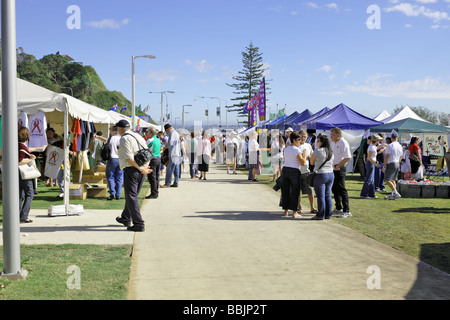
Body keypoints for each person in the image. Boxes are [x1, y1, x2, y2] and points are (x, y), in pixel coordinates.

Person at [115, 120, 152, 232]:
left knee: (131, 197)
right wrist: (144, 168)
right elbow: (147, 154)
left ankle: (138, 223)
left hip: (132, 170)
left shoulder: (124, 138)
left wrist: (140, 168)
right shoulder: (138, 136)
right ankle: (126, 217)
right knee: (132, 195)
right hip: (141, 169)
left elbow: (129, 158)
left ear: (120, 129)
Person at [18, 127, 47, 223]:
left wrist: (39, 148)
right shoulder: (22, 147)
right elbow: (20, 161)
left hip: (18, 174)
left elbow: (27, 149)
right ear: (26, 136)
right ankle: (24, 216)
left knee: (20, 195)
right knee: (29, 194)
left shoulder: (18, 145)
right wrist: (31, 159)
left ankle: (17, 215)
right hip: (24, 174)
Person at [281, 131, 307, 218]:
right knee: (295, 192)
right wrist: (305, 155)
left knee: (286, 191)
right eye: (298, 139)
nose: (300, 141)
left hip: (285, 169)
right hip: (294, 171)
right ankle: (294, 212)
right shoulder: (296, 149)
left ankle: (286, 211)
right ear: (294, 140)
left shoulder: (287, 148)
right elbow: (302, 162)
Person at [309, 134, 334, 220]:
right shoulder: (330, 151)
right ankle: (328, 214)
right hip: (330, 174)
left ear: (321, 142)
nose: (317, 142)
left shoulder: (317, 151)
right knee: (328, 195)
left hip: (320, 174)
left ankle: (320, 215)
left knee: (320, 196)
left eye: (318, 141)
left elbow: (312, 163)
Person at [330, 127, 352, 218]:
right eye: (330, 135)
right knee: (334, 188)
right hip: (333, 167)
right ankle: (338, 207)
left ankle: (346, 210)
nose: (331, 137)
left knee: (341, 188)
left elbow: (348, 157)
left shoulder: (343, 142)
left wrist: (338, 166)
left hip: (340, 168)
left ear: (338, 135)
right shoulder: (334, 143)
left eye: (332, 135)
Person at [96, 126, 123, 200]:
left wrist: (98, 137)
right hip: (121, 159)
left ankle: (112, 193)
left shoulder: (111, 138)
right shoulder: (122, 138)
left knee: (110, 176)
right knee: (119, 178)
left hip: (112, 158)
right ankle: (118, 194)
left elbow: (105, 140)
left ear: (112, 131)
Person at [298, 130, 317, 213]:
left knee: (310, 190)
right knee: (297, 191)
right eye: (301, 136)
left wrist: (308, 156)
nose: (302, 138)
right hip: (297, 172)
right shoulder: (295, 146)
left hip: (306, 171)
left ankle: (312, 207)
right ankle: (299, 207)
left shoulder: (308, 146)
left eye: (304, 137)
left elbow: (312, 156)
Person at [360, 134, 382, 199]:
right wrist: (375, 164)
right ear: (376, 140)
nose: (379, 141)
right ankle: (364, 194)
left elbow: (376, 148)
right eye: (379, 140)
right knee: (368, 179)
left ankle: (371, 193)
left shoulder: (373, 146)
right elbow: (369, 157)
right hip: (370, 163)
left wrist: (383, 145)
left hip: (372, 163)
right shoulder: (371, 147)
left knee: (372, 179)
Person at [383, 132, 403, 200]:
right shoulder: (400, 146)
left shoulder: (390, 145)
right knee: (393, 179)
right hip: (397, 162)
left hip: (391, 163)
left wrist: (384, 166)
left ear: (391, 138)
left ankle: (395, 192)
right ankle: (393, 195)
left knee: (387, 179)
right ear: (397, 138)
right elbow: (400, 157)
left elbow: (387, 156)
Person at [161, 124, 182, 188]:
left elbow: (170, 143)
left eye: (166, 132)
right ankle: (176, 182)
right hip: (177, 153)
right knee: (176, 169)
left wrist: (165, 147)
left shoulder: (172, 133)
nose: (167, 133)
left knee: (169, 169)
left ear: (168, 129)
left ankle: (167, 183)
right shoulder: (177, 133)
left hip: (173, 153)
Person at [145, 127, 161, 199]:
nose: (147, 133)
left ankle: (154, 193)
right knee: (156, 177)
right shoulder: (158, 140)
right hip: (158, 158)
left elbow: (145, 148)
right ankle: (156, 191)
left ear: (151, 133)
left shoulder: (150, 140)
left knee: (152, 177)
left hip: (152, 159)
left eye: (148, 132)